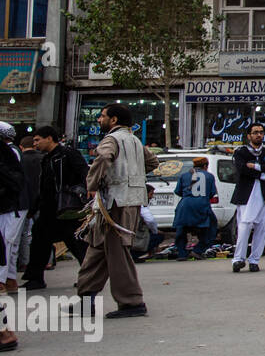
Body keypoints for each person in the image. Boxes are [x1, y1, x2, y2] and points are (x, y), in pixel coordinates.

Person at [73, 105, 159, 318]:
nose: (99, 120)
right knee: (97, 249)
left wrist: (92, 184)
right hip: (125, 202)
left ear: (113, 120)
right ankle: (86, 300)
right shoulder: (134, 140)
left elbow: (102, 159)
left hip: (116, 203)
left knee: (117, 251)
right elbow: (152, 162)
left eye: (102, 116)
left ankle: (132, 302)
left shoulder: (112, 140)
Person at [23, 126, 88, 290]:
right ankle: (35, 278)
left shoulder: (68, 154)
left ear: (49, 138)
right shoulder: (47, 158)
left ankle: (89, 277)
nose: (35, 143)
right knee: (39, 242)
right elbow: (44, 186)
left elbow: (85, 174)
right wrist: (34, 208)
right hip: (49, 209)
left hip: (67, 208)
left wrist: (78, 193)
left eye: (38, 140)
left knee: (76, 243)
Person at [229, 123, 265, 273]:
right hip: (247, 194)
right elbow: (242, 169)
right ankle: (238, 259)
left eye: (261, 132)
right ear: (249, 136)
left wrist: (257, 167)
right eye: (255, 132)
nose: (259, 135)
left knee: (262, 227)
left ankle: (254, 260)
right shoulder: (241, 152)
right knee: (245, 226)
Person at [173, 156, 219, 260]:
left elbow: (177, 191)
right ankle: (198, 250)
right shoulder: (209, 176)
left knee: (181, 229)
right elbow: (212, 193)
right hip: (202, 205)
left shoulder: (184, 175)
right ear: (205, 166)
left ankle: (182, 254)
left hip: (185, 205)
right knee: (211, 228)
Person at [0, 122, 25, 293]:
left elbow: (12, 178)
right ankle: (9, 280)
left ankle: (2, 281)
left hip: (11, 205)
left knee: (6, 243)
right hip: (11, 204)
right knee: (9, 244)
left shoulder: (9, 152)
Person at [15, 135, 41, 278]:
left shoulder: (20, 160)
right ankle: (48, 262)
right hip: (43, 199)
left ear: (21, 147)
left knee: (25, 233)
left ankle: (24, 262)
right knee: (42, 232)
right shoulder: (43, 158)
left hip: (26, 200)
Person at [132, 186, 163, 260]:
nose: (152, 197)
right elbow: (150, 220)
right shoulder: (142, 205)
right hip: (137, 233)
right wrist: (155, 231)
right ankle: (134, 255)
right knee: (158, 237)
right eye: (151, 194)